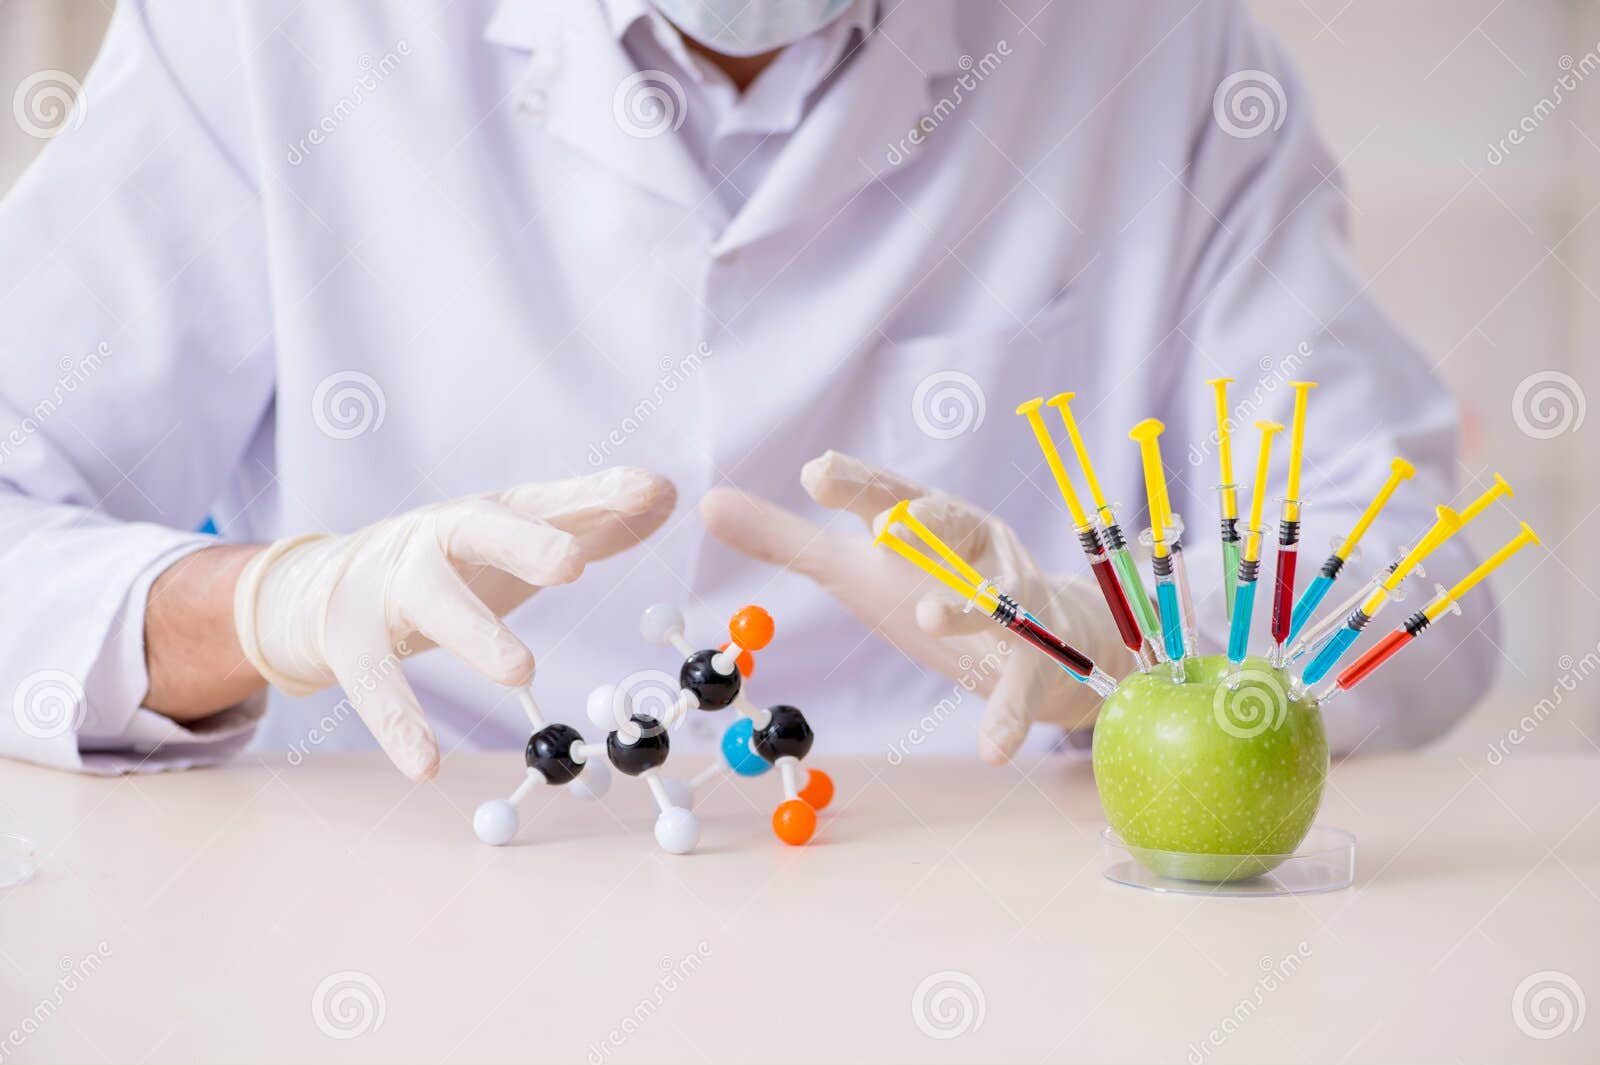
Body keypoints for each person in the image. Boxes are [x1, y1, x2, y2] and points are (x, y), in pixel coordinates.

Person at [0, 0, 1498, 780]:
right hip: (401, 929)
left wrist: (1137, 640)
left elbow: (1422, 570)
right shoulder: (273, 28)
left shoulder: (1147, 45)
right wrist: (270, 607)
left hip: (985, 951)